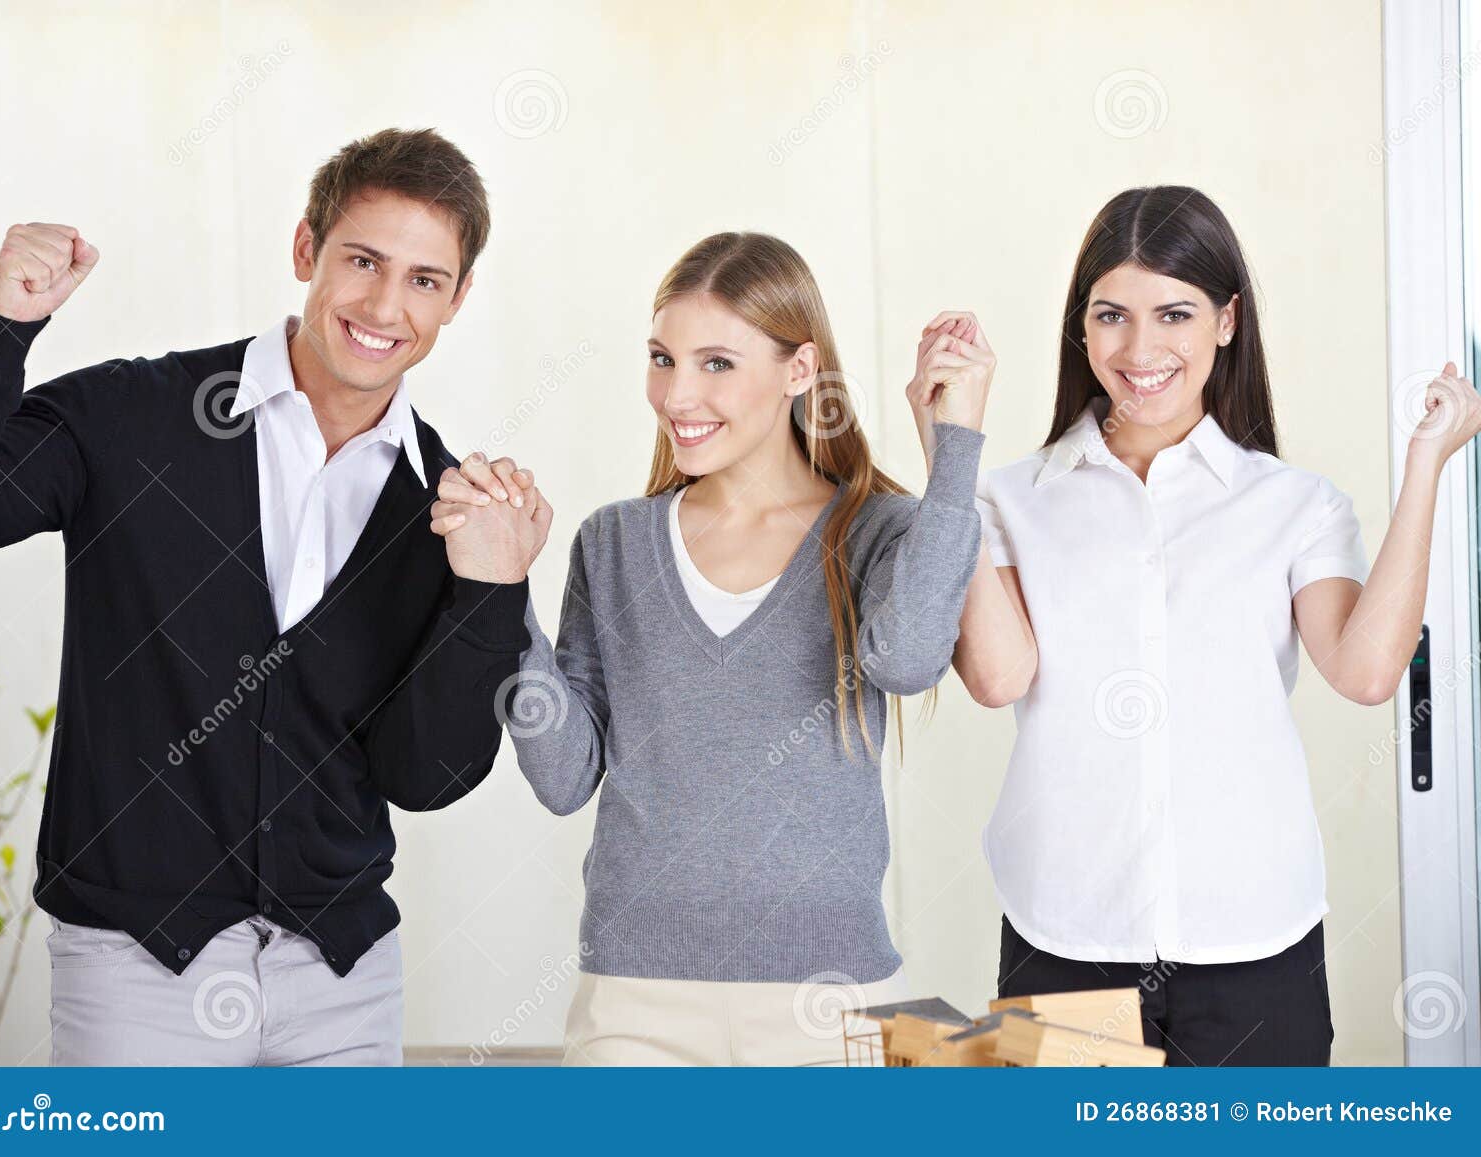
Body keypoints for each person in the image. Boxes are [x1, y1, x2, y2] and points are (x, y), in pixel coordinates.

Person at [0, 127, 550, 1065]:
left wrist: (490, 592)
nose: (385, 305)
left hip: (345, 982)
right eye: (362, 260)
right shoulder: (133, 415)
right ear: (306, 249)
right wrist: (2, 330)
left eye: (425, 279)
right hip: (137, 969)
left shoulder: (449, 509)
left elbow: (424, 778)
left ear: (458, 297)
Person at [948, 185, 1481, 1065]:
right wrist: (950, 452)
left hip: (1256, 950)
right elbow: (998, 677)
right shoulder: (1006, 497)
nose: (1141, 348)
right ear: (1080, 328)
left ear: (1227, 322)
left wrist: (1426, 463)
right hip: (1065, 942)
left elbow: (1366, 670)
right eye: (1111, 313)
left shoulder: (1295, 505)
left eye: (1176, 313)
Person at [433, 232, 989, 1064]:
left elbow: (906, 659)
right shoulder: (614, 542)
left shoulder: (878, 530)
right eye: (662, 358)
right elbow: (563, 778)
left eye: (717, 364)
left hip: (829, 1003)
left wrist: (955, 451)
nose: (677, 393)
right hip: (634, 1005)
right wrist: (505, 593)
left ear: (800, 370)